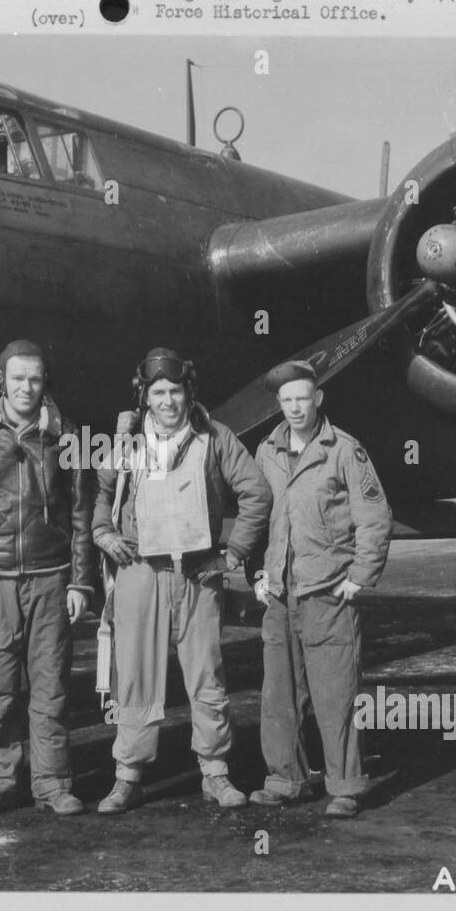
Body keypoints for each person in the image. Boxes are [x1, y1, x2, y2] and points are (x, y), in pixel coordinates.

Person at [92, 348, 272, 814]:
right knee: (134, 678)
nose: (168, 401)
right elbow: (103, 493)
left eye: (175, 391)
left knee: (207, 675)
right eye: (158, 393)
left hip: (197, 575)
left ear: (188, 392)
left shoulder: (214, 437)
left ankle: (215, 772)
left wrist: (231, 554)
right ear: (144, 397)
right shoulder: (128, 441)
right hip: (139, 573)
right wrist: (104, 534)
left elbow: (256, 492)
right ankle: (127, 777)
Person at [0, 339, 96, 818]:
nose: (26, 387)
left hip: (51, 580)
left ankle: (52, 784)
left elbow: (80, 513)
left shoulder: (66, 435)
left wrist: (80, 581)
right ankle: (0, 782)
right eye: (17, 378)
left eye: (35, 378)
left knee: (50, 688)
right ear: (0, 382)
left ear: (43, 382)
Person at [249, 361, 392, 818]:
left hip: (328, 590)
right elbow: (257, 516)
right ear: (279, 404)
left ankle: (346, 786)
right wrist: (257, 572)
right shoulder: (265, 451)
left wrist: (360, 576)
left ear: (318, 400)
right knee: (279, 694)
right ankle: (285, 780)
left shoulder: (344, 450)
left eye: (302, 398)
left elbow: (374, 516)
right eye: (286, 400)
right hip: (279, 592)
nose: (295, 408)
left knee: (336, 693)